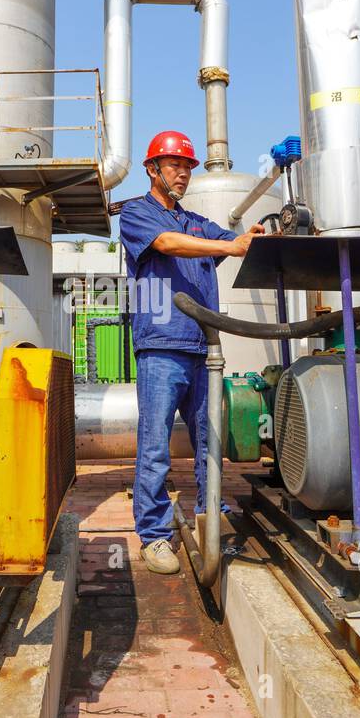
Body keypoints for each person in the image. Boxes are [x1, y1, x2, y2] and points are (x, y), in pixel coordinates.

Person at [118, 131, 265, 574]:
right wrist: (230, 245)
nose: (183, 173)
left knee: (209, 443)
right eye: (175, 165)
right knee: (155, 447)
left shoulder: (197, 222)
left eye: (187, 167)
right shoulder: (135, 214)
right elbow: (166, 244)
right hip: (161, 347)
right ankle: (155, 536)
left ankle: (209, 515)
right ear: (152, 170)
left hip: (204, 350)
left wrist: (257, 236)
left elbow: (235, 243)